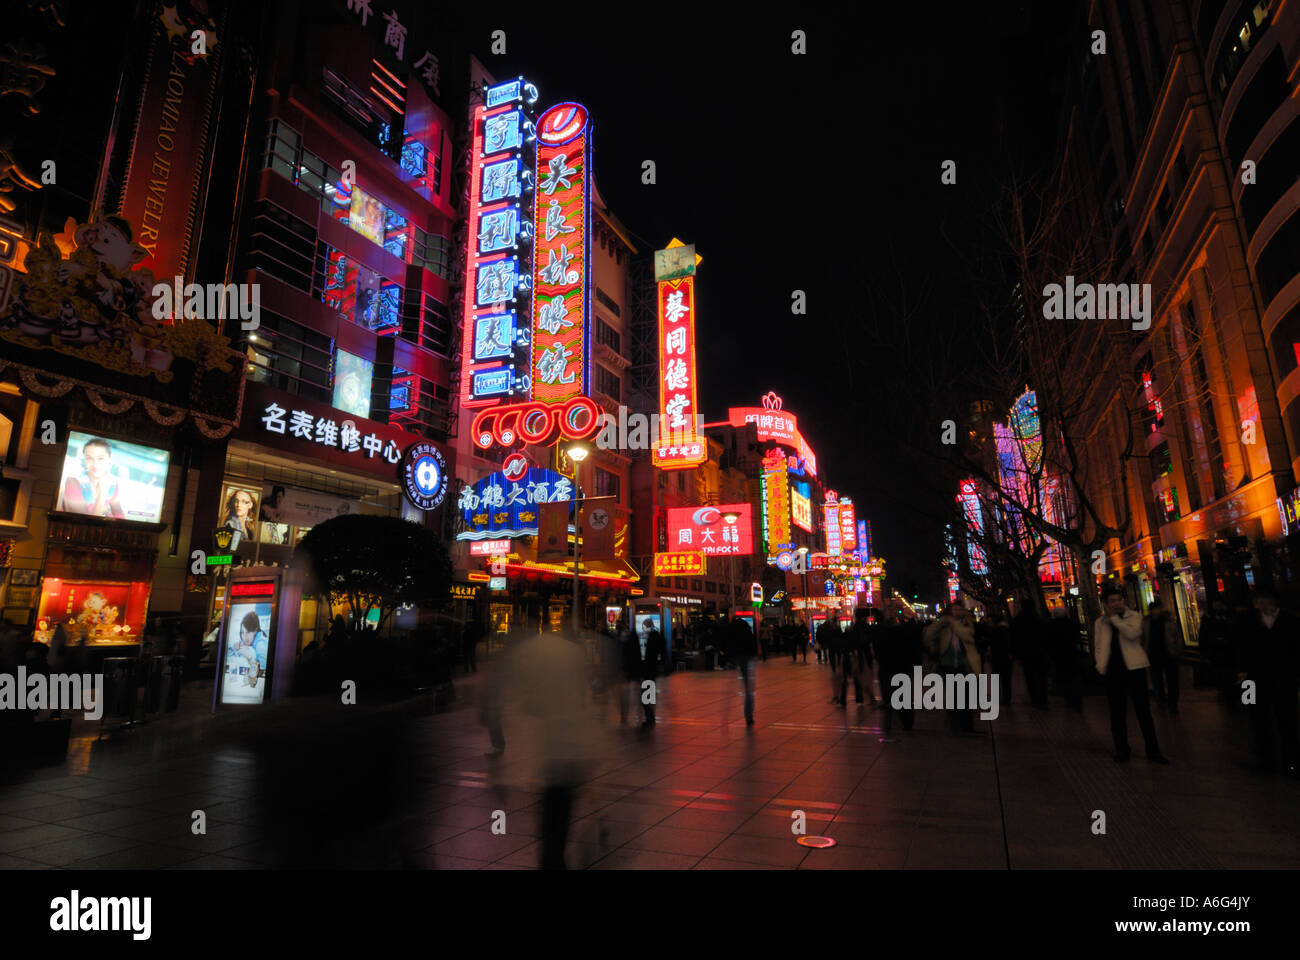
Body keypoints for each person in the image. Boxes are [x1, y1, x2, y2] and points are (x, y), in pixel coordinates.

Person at [1094, 587, 1167, 764]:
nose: (1117, 603)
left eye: (1119, 600)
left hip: (1135, 669)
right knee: (1116, 713)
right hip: (1112, 671)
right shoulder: (1100, 623)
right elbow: (1098, 644)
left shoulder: (1134, 616)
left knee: (1143, 712)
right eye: (1112, 601)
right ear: (1105, 603)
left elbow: (1133, 634)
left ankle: (1153, 751)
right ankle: (1122, 750)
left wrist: (1115, 620)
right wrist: (1100, 664)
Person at [1239, 586, 1299, 777]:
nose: (1261, 605)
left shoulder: (1290, 620)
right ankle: (1266, 759)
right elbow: (1240, 647)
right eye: (1258, 601)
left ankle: (1291, 760)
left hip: (1284, 679)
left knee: (1287, 720)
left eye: (1264, 600)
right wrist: (1241, 672)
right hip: (1253, 681)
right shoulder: (1248, 621)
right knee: (1257, 719)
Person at [924, 602, 981, 733]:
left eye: (958, 609)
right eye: (953, 609)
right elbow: (928, 634)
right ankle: (954, 725)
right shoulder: (944, 625)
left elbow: (968, 635)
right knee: (952, 696)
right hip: (947, 664)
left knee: (966, 697)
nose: (955, 612)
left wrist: (954, 624)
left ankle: (967, 726)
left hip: (965, 664)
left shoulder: (968, 623)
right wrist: (940, 622)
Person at [60, 437, 125, 518]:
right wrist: (102, 494)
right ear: (84, 459)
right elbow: (85, 523)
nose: (95, 465)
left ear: (109, 458)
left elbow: (119, 514)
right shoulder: (73, 482)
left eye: (101, 458)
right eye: (89, 458)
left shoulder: (113, 484)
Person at [1197, 601, 1239, 712]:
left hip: (1227, 652)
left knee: (1229, 675)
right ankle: (1230, 699)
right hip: (1218, 653)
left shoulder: (1227, 617)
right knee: (1225, 675)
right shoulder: (1209, 619)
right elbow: (1204, 637)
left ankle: (1232, 698)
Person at [1143, 600, 1179, 715]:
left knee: (1172, 682)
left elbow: (1177, 637)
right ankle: (1162, 701)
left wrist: (1176, 651)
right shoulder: (1145, 623)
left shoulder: (1169, 621)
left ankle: (1172, 704)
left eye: (1159, 608)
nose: (1157, 611)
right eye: (1155, 609)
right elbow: (1143, 638)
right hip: (1153, 655)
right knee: (1157, 681)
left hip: (1169, 655)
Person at [1011, 606, 1050, 710]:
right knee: (1041, 678)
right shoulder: (1040, 620)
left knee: (1030, 678)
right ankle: (1043, 699)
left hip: (1026, 655)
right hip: (1040, 654)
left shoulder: (1018, 621)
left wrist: (1016, 653)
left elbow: (1014, 639)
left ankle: (1035, 699)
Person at [1048, 608, 1083, 711]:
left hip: (1059, 656)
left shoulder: (1052, 626)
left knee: (1064, 678)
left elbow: (1050, 641)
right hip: (1072, 654)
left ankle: (1069, 700)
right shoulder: (1072, 623)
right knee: (1074, 677)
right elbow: (1077, 638)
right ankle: (1077, 700)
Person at [635, 618, 666, 727]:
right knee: (648, 692)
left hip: (648, 668)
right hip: (652, 668)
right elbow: (663, 652)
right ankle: (650, 717)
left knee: (646, 693)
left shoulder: (651, 638)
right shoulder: (657, 636)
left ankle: (650, 718)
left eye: (644, 627)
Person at [728, 616, 758, 726]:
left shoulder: (732, 632)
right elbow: (753, 643)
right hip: (748, 657)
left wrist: (731, 658)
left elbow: (729, 644)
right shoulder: (747, 631)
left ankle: (748, 714)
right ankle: (749, 715)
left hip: (738, 657)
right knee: (748, 688)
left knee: (745, 686)